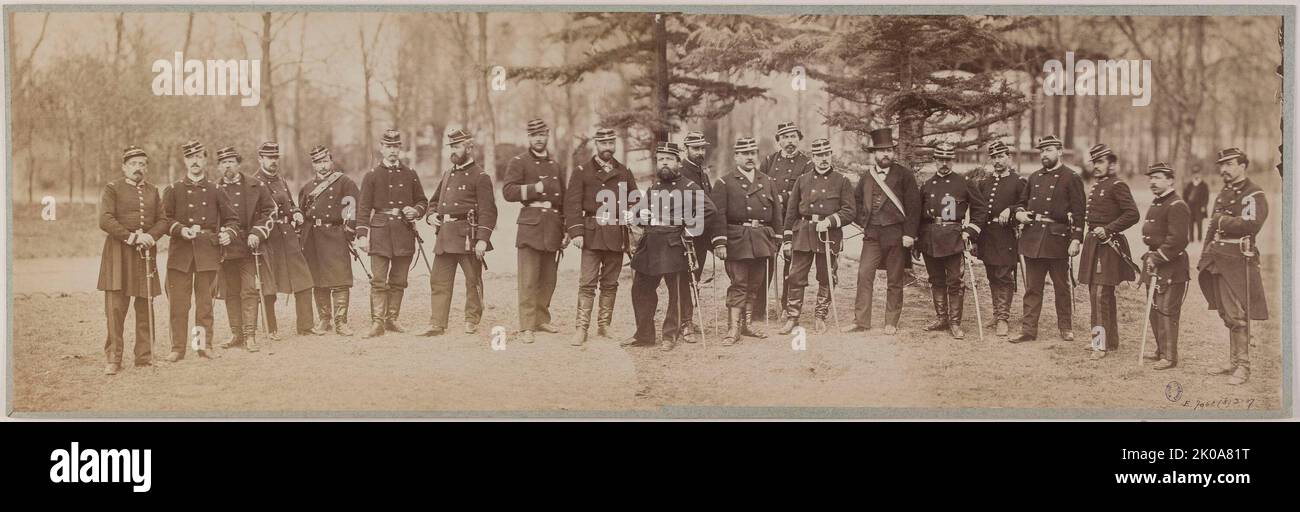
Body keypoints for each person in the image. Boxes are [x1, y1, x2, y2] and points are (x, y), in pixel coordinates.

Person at [623, 142, 724, 351]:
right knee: (640, 289)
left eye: (669, 159)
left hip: (675, 244)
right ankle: (644, 334)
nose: (664, 163)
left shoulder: (689, 187)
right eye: (660, 159)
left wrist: (688, 230)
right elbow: (637, 214)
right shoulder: (654, 188)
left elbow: (710, 211)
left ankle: (670, 335)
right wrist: (640, 216)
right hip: (650, 244)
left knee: (677, 293)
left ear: (678, 162)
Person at [160, 140, 238, 361]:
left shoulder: (216, 190)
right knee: (179, 303)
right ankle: (178, 348)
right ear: (185, 161)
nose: (195, 161)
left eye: (199, 157)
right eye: (190, 157)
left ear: (205, 161)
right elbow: (164, 220)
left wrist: (227, 234)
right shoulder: (174, 189)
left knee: (204, 304)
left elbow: (232, 220)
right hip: (180, 253)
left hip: (207, 253)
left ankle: (202, 346)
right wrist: (180, 230)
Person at [1197, 147, 1269, 386]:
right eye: (1222, 165)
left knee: (1238, 315)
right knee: (1226, 313)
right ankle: (1233, 361)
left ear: (1242, 166)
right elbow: (1210, 226)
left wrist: (1222, 221)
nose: (1223, 169)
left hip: (1238, 260)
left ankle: (1244, 366)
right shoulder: (1224, 192)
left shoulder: (1253, 193)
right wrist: (1204, 254)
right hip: (1217, 260)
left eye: (1229, 164)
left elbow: (1251, 224)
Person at [97, 146, 168, 375]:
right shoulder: (112, 189)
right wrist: (131, 236)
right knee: (116, 308)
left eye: (142, 164)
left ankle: (144, 356)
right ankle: (114, 358)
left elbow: (163, 220)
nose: (139, 168)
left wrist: (150, 236)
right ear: (124, 166)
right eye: (134, 164)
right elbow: (105, 220)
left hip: (145, 254)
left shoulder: (153, 191)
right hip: (119, 253)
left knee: (145, 306)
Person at [1009, 135, 1085, 344]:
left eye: (1049, 150)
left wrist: (1076, 239)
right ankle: (1028, 330)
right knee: (1032, 288)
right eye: (1042, 151)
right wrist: (1019, 214)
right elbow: (1021, 203)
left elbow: (1079, 212)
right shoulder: (1034, 177)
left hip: (1058, 239)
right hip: (1033, 238)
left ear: (1060, 152)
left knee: (1061, 286)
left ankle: (1065, 327)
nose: (1044, 154)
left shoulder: (1072, 177)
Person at [843, 127, 919, 335]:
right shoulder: (867, 177)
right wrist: (865, 221)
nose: (886, 154)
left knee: (895, 279)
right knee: (864, 274)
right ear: (874, 153)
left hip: (896, 235)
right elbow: (857, 202)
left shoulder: (904, 175)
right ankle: (861, 320)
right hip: (872, 236)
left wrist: (909, 234)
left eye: (889, 150)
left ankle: (891, 321)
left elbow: (914, 207)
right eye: (882, 150)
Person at [564, 128, 636, 346]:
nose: (607, 147)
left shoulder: (624, 171)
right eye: (603, 143)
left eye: (611, 143)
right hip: (591, 232)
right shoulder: (582, 171)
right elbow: (572, 203)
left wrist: (629, 214)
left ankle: (604, 325)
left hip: (615, 233)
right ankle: (581, 328)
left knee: (610, 283)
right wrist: (576, 232)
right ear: (596, 144)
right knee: (587, 282)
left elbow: (634, 200)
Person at [423, 128, 497, 336]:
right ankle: (437, 322)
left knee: (473, 280)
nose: (453, 151)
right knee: (438, 280)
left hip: (468, 237)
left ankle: (471, 319)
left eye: (457, 146)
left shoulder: (480, 176)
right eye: (451, 147)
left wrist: (482, 239)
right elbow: (434, 202)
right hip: (445, 236)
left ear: (470, 148)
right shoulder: (448, 174)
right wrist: (430, 216)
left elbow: (488, 211)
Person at [356, 129, 429, 338]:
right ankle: (377, 322)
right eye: (388, 146)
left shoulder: (410, 174)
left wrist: (415, 211)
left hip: (404, 232)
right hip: (379, 231)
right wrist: (362, 234)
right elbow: (363, 208)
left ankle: (392, 319)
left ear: (400, 148)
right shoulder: (371, 176)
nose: (392, 151)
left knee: (399, 279)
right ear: (381, 148)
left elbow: (422, 201)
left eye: (396, 146)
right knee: (379, 279)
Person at [712, 136, 782, 344]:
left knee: (755, 284)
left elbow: (777, 214)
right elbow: (718, 215)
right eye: (745, 154)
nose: (750, 157)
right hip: (737, 240)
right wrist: (720, 242)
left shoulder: (767, 181)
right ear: (736, 157)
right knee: (739, 283)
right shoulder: (724, 182)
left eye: (753, 153)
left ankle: (747, 324)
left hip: (761, 239)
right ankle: (733, 328)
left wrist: (777, 239)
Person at [502, 119, 566, 344]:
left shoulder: (555, 165)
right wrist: (535, 189)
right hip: (530, 226)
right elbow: (508, 192)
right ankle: (527, 326)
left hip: (553, 226)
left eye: (542, 134)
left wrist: (566, 229)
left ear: (548, 135)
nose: (538, 138)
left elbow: (564, 198)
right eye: (534, 135)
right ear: (528, 138)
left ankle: (541, 319)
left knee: (548, 278)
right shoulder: (519, 162)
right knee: (528, 278)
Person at [916, 142, 987, 340]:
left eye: (948, 160)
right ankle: (942, 318)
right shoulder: (927, 185)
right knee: (936, 280)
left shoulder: (964, 183)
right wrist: (917, 240)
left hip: (955, 238)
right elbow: (918, 215)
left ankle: (955, 322)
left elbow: (981, 210)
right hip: (930, 238)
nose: (944, 163)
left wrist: (970, 231)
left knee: (955, 281)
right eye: (941, 160)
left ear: (953, 161)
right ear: (935, 161)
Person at [1077, 143, 1139, 359]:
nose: (1096, 166)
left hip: (1108, 246)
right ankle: (1109, 341)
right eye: (1094, 162)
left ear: (1111, 164)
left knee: (1100, 294)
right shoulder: (1097, 186)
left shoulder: (1117, 185)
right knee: (1099, 293)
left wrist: (1109, 229)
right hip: (1094, 244)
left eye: (1101, 161)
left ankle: (1099, 343)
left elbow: (1133, 214)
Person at [253, 141, 318, 338]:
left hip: (288, 236)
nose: (273, 161)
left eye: (276, 158)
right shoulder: (255, 182)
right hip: (269, 238)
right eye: (269, 158)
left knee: (303, 279)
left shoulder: (280, 179)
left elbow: (290, 204)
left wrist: (297, 212)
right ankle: (271, 329)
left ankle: (306, 326)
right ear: (260, 159)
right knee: (269, 285)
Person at [214, 146, 275, 352]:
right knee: (230, 291)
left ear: (238, 163)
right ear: (218, 167)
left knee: (249, 290)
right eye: (223, 162)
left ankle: (250, 335)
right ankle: (236, 334)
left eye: (231, 161)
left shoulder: (255, 185)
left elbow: (270, 211)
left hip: (250, 247)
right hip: (226, 247)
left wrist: (257, 233)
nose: (227, 166)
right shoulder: (214, 189)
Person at [298, 145, 362, 336]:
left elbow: (351, 212)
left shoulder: (345, 183)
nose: (323, 166)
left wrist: (347, 234)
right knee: (318, 279)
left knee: (340, 279)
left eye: (325, 161)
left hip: (335, 235)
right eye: (318, 163)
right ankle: (324, 319)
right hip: (313, 237)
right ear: (313, 165)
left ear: (331, 161)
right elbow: (301, 213)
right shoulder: (307, 188)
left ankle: (341, 322)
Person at [758, 122, 813, 323]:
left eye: (793, 137)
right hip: (771, 222)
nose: (789, 141)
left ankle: (786, 307)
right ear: (779, 141)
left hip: (794, 222)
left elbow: (807, 194)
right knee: (765, 264)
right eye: (785, 137)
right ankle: (758, 309)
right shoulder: (768, 161)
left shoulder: (807, 164)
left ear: (799, 139)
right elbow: (759, 186)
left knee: (791, 267)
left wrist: (788, 200)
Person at [1139, 163, 1191, 370]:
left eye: (1158, 177)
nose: (1153, 181)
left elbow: (1178, 240)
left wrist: (1157, 257)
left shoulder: (1176, 204)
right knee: (1154, 308)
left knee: (1167, 309)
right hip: (1155, 261)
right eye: (1151, 178)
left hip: (1171, 265)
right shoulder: (1158, 202)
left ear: (1170, 180)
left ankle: (1170, 356)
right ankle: (1161, 350)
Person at [974, 141, 1026, 337]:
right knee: (992, 275)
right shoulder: (984, 183)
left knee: (1004, 276)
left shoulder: (1018, 181)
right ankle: (997, 314)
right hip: (987, 235)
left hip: (1006, 236)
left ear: (1009, 158)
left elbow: (1025, 204)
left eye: (1001, 156)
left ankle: (1004, 318)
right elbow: (979, 209)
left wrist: (1011, 210)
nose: (997, 161)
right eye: (994, 157)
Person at [1181, 165, 1210, 242]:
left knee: (1199, 223)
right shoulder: (1189, 184)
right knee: (1190, 223)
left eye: (1198, 173)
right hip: (1190, 207)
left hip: (1199, 207)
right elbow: (1184, 195)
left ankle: (1199, 239)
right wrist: (1186, 204)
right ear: (1192, 174)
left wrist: (1204, 206)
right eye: (1194, 173)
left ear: (1200, 174)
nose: (1196, 175)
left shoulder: (1204, 185)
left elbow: (1206, 196)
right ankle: (1191, 239)